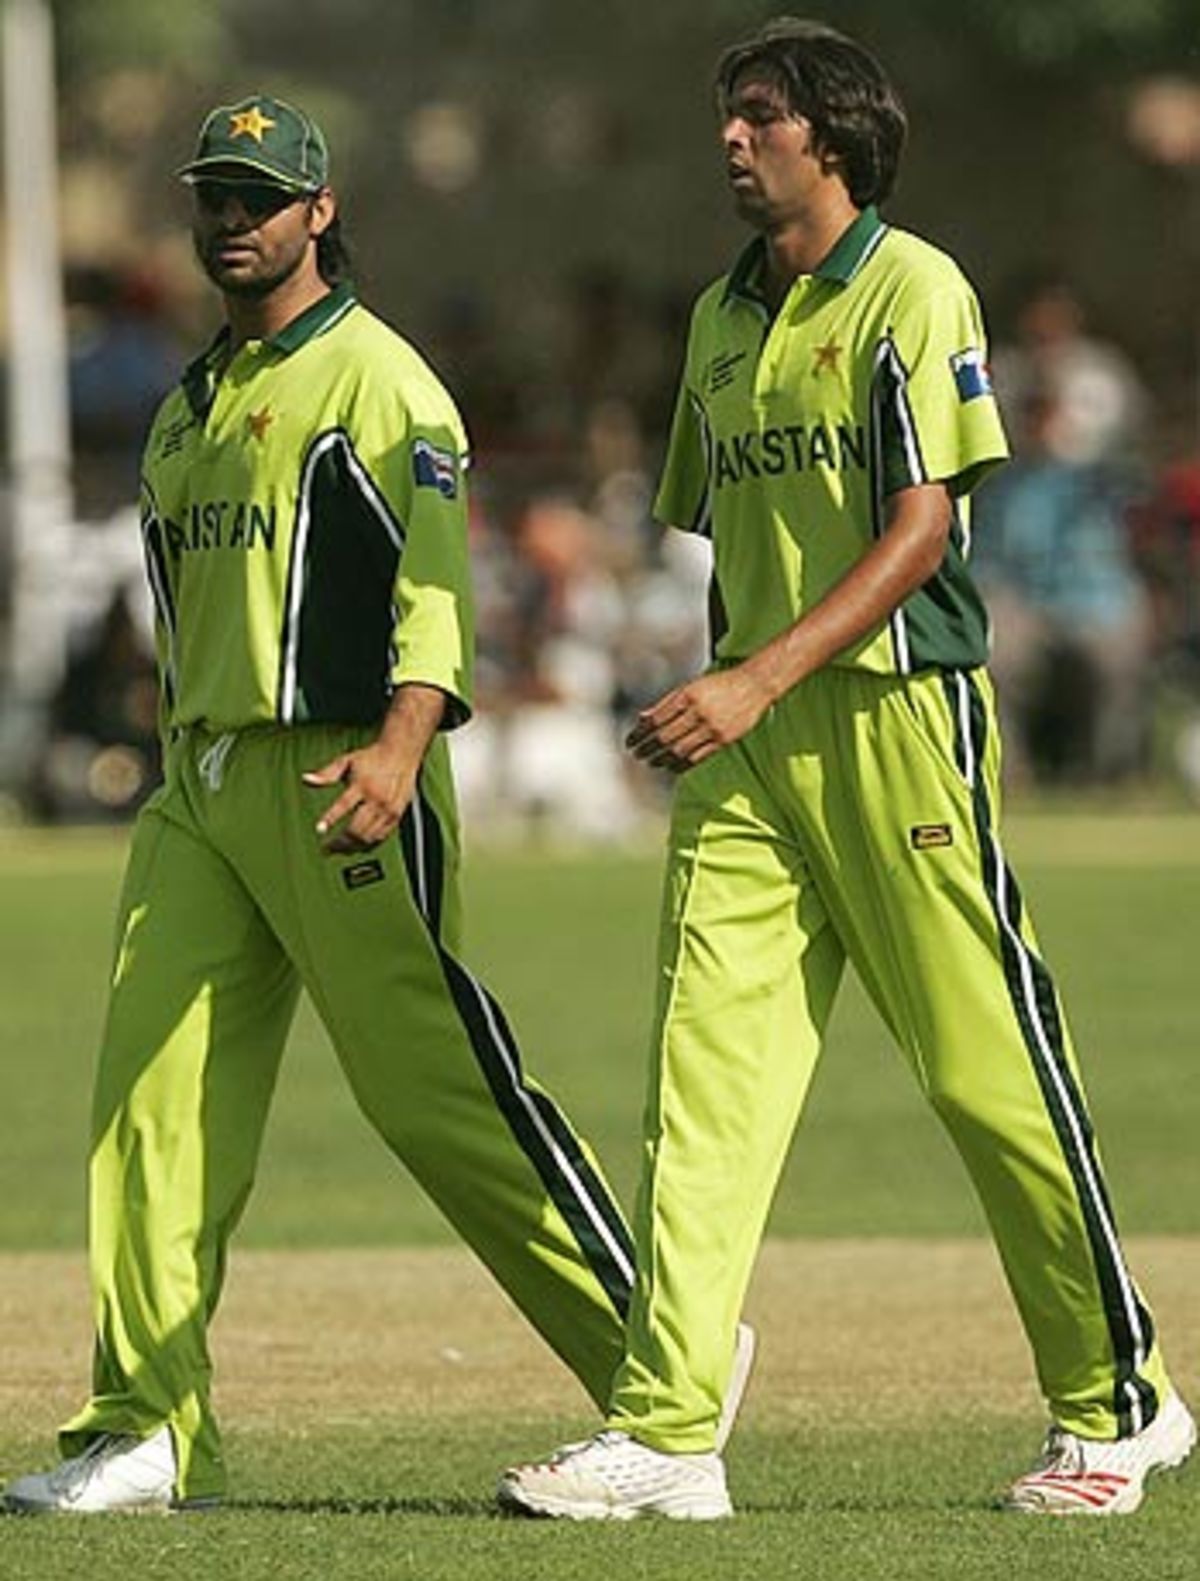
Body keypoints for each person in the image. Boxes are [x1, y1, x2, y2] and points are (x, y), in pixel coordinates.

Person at [498, 19, 1195, 1522]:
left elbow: (921, 529)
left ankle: (1119, 1404)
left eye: (761, 115)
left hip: (895, 720)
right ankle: (668, 1431)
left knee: (987, 1075)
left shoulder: (912, 286)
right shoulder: (718, 317)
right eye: (728, 114)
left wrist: (755, 676)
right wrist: (707, 683)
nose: (732, 138)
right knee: (704, 1092)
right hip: (747, 750)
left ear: (837, 136)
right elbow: (720, 533)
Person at [3, 94, 649, 1515]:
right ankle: (146, 1424)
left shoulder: (380, 379)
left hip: (346, 766)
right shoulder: (192, 401)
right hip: (201, 786)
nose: (234, 220)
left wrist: (405, 745)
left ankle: (661, 1370)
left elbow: (436, 584)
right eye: (215, 197)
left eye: (260, 196)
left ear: (321, 210)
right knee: (151, 1102)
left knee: (435, 1099)